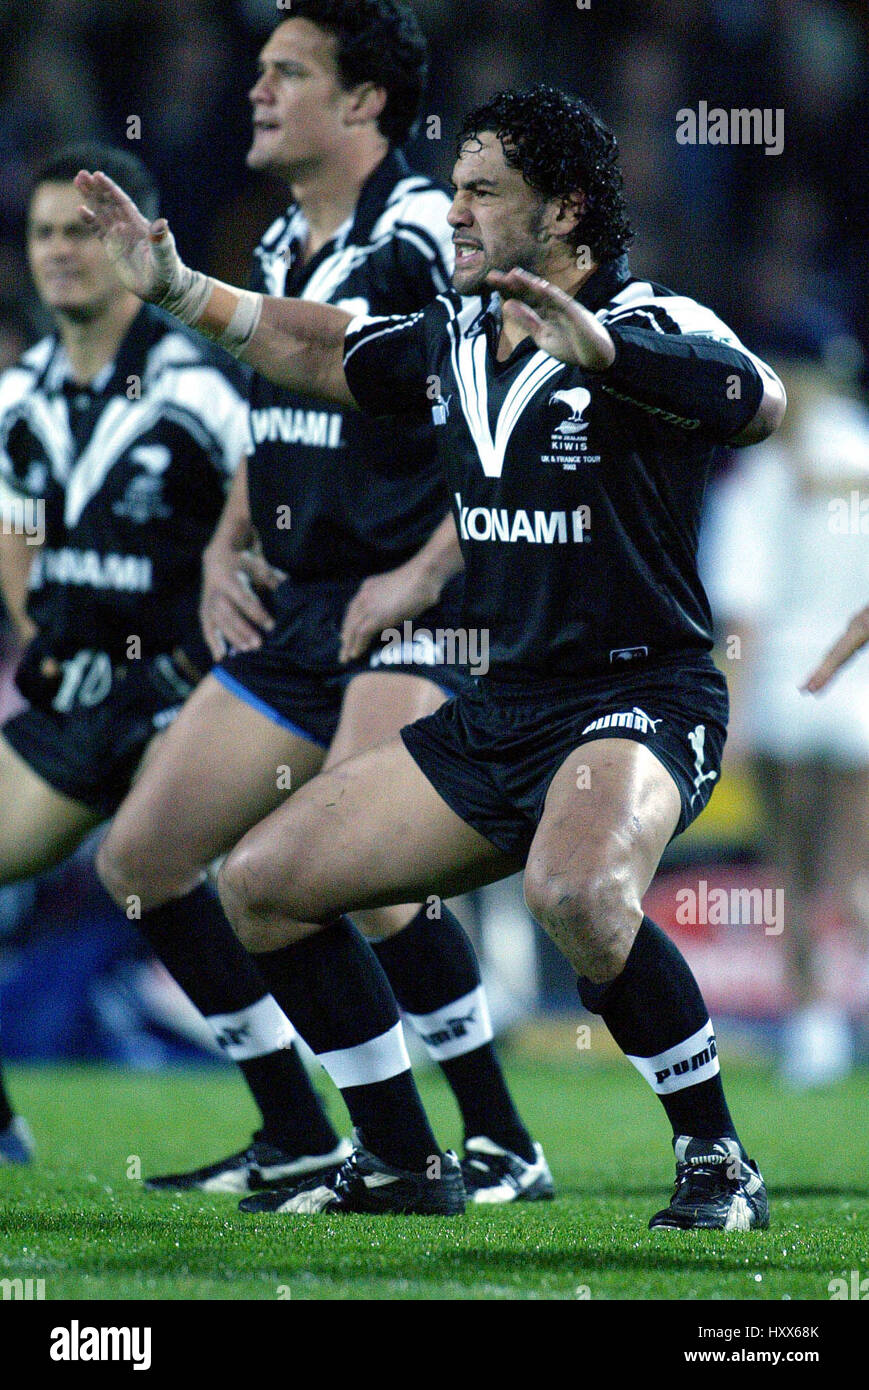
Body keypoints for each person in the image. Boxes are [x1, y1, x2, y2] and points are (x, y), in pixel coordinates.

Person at [76, 82, 787, 1229]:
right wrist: (175, 290)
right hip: (503, 709)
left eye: (479, 190)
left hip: (641, 695)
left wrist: (608, 357)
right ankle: (406, 1159)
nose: (452, 209)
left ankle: (715, 1158)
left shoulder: (657, 316)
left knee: (574, 888)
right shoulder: (454, 335)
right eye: (451, 188)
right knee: (259, 885)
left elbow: (760, 403)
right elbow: (319, 346)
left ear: (561, 213)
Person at [93, 1, 551, 1207]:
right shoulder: (286, 232)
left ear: (361, 102)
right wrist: (225, 539)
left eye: (286, 71)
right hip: (301, 608)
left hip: (410, 596)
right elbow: (286, 398)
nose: (256, 89)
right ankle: (296, 1128)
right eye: (257, 69)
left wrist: (427, 569)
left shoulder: (418, 226)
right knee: (141, 858)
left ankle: (490, 1139)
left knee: (356, 864)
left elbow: (469, 401)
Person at [0, 142, 247, 1166]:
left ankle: (460, 1128)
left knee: (330, 892)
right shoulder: (19, 391)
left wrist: (210, 661)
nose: (60, 252)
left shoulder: (196, 383)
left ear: (136, 245)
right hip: (82, 694)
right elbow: (16, 534)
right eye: (44, 232)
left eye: (83, 233)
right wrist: (44, 635)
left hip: (191, 692)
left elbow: (264, 519)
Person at [704, 355, 869, 1086]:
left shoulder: (760, 475)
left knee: (798, 877)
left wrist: (727, 707)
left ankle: (813, 1027)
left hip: (783, 695)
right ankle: (818, 1027)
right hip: (857, 688)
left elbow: (743, 608)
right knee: (854, 872)